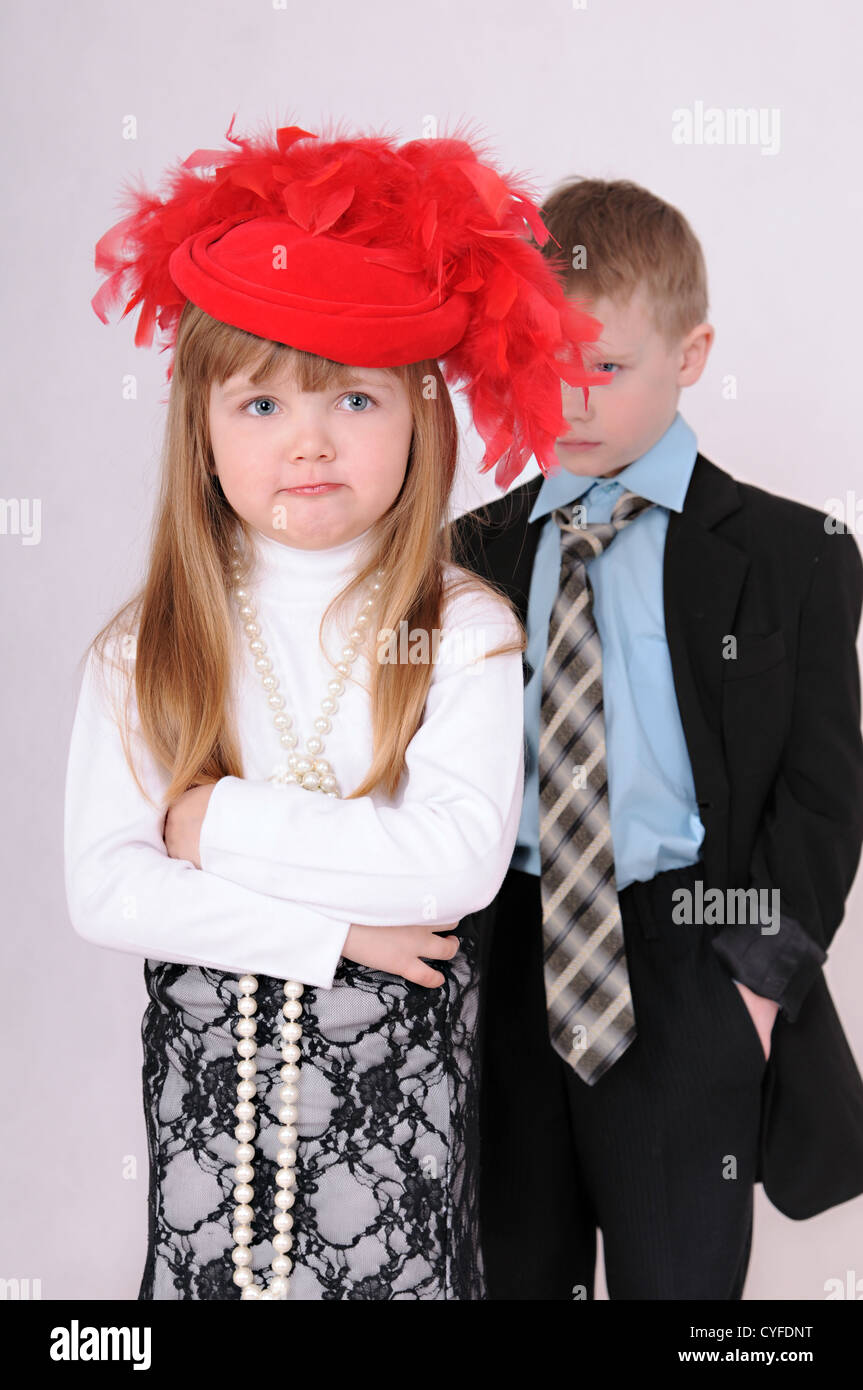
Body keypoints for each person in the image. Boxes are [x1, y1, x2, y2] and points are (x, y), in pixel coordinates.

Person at [64, 117, 603, 1301]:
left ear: (419, 421)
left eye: (352, 402)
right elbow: (104, 888)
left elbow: (449, 863)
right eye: (260, 407)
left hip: (387, 1140)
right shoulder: (142, 646)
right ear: (201, 437)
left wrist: (210, 827)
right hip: (212, 1141)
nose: (307, 441)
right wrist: (335, 938)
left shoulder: (462, 629)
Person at [453, 177, 863, 1299]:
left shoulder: (793, 552)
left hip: (690, 956)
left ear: (692, 352)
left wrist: (755, 989)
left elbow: (822, 797)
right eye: (540, 361)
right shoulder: (466, 555)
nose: (568, 397)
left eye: (604, 365)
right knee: (508, 1269)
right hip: (509, 963)